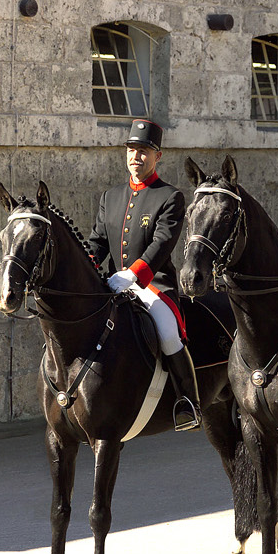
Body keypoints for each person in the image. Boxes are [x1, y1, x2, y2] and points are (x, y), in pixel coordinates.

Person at [86, 118, 200, 432]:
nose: (136, 157)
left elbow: (163, 244)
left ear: (157, 156)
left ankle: (187, 401)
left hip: (152, 285)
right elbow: (96, 243)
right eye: (132, 150)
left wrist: (134, 275)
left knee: (167, 331)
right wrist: (89, 273)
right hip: (112, 284)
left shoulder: (169, 196)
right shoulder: (110, 197)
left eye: (144, 151)